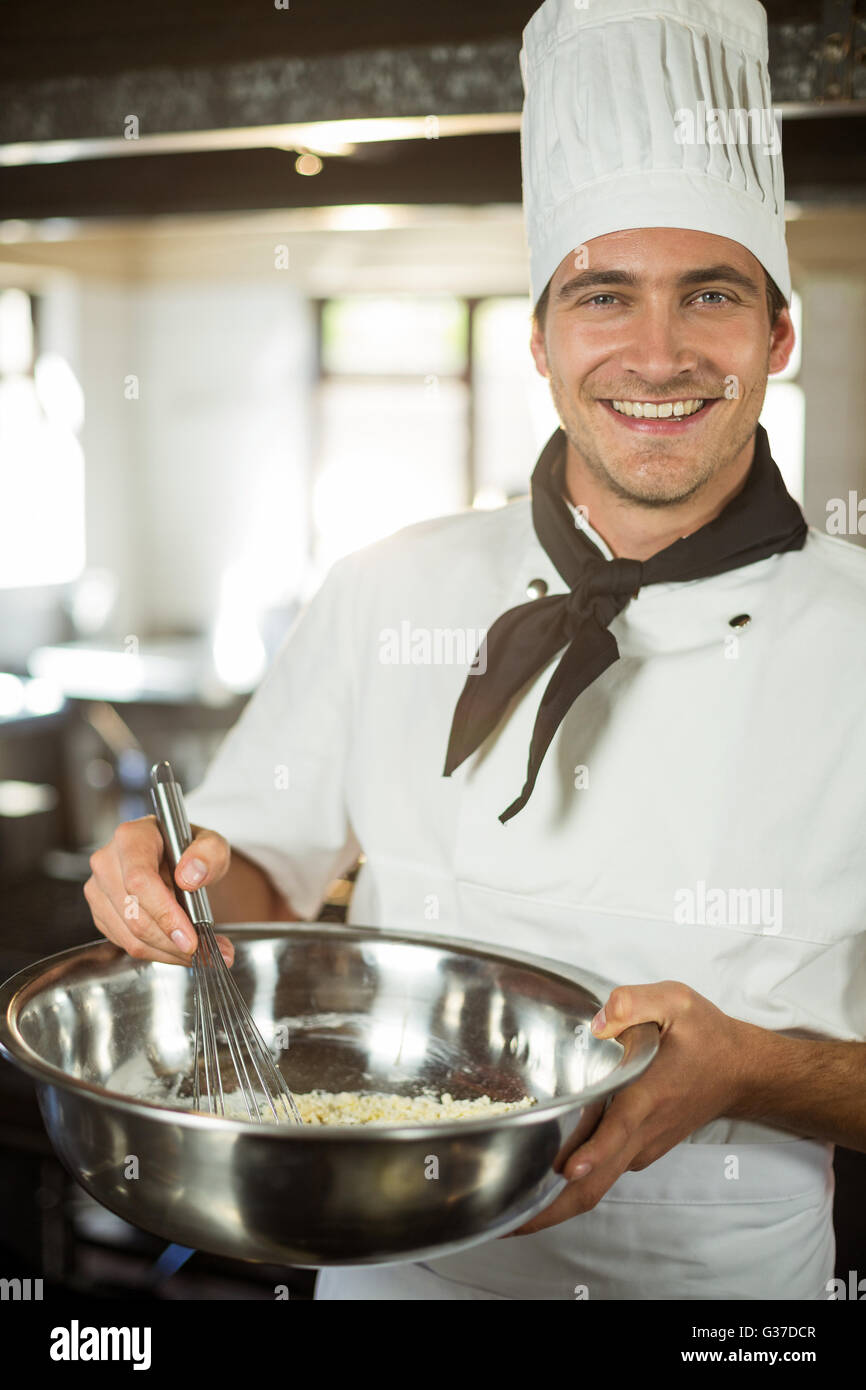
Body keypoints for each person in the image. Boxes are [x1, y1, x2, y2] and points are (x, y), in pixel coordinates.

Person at [84, 0, 866, 1299]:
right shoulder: (389, 583)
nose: (656, 352)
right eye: (603, 296)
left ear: (775, 336)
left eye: (710, 295)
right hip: (396, 1273)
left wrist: (757, 1067)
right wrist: (170, 889)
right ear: (541, 341)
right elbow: (251, 890)